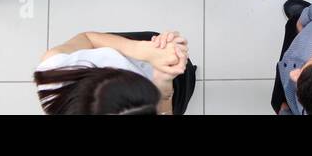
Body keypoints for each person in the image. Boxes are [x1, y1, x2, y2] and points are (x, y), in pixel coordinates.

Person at [36, 30, 196, 115]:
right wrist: (163, 86)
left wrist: (141, 49)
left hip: (131, 49)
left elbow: (87, 39)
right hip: (167, 93)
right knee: (187, 80)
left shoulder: (55, 70)